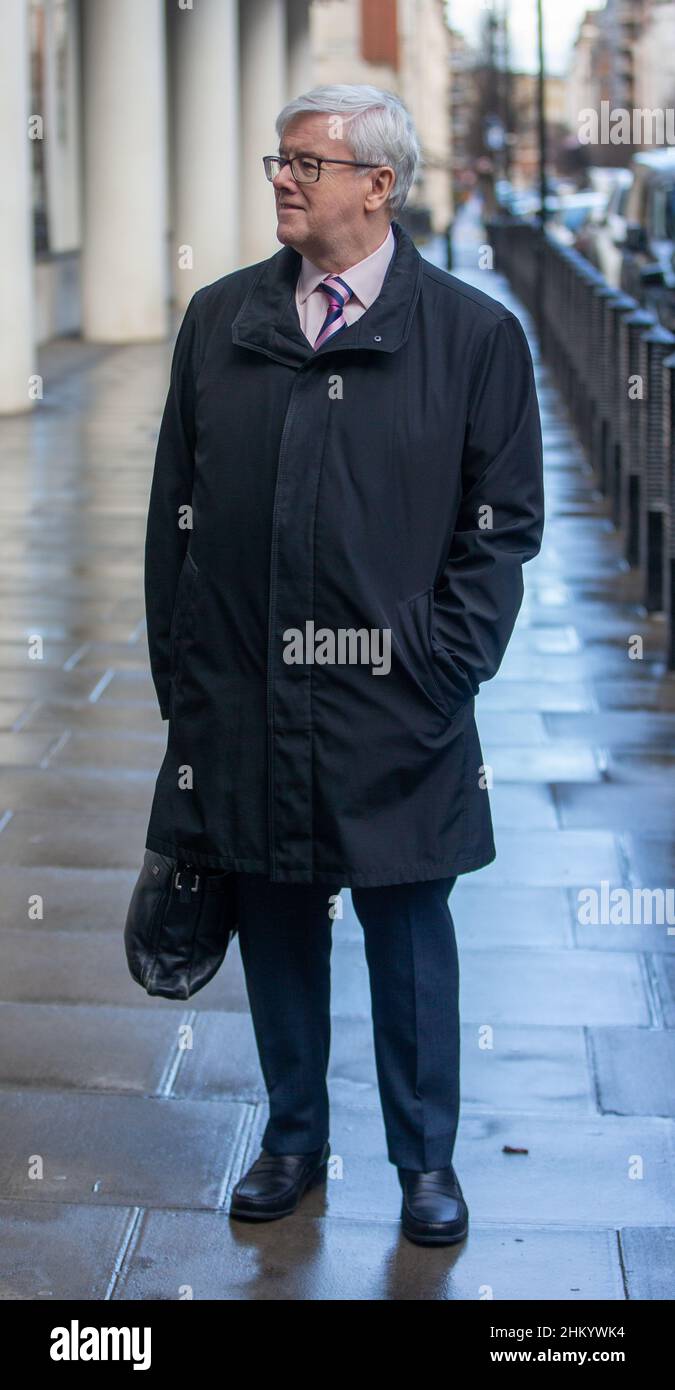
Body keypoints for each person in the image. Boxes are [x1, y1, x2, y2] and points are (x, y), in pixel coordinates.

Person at [143, 84, 544, 1245]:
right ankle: (291, 1138)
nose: (282, 177)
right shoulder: (219, 321)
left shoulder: (472, 336)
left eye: (306, 163)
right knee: (276, 920)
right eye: (278, 158)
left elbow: (501, 527)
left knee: (410, 931)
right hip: (247, 698)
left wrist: (441, 669)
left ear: (379, 185)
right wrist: (188, 687)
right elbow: (177, 509)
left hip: (398, 706)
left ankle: (426, 1163)